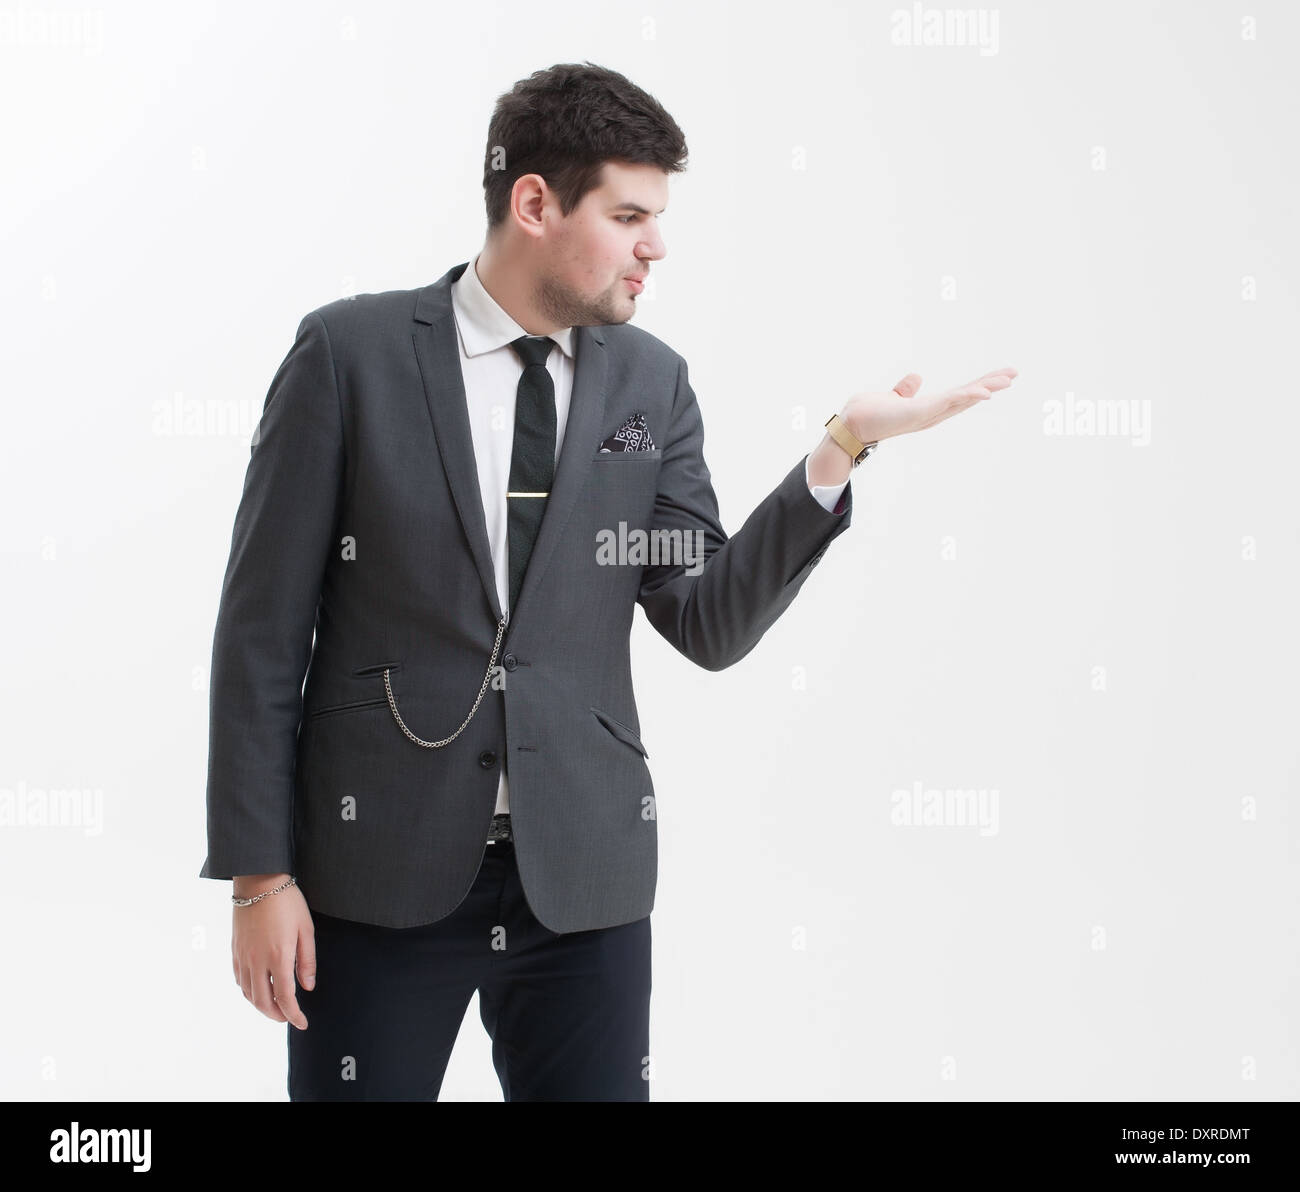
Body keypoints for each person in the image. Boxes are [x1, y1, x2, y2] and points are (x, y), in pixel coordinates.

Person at [199, 61, 1018, 1101]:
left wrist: (842, 445)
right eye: (629, 214)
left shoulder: (650, 382)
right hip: (378, 873)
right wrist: (258, 876)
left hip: (580, 883)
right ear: (534, 203)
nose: (656, 245)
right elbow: (260, 633)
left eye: (659, 216)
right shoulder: (348, 356)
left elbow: (705, 614)